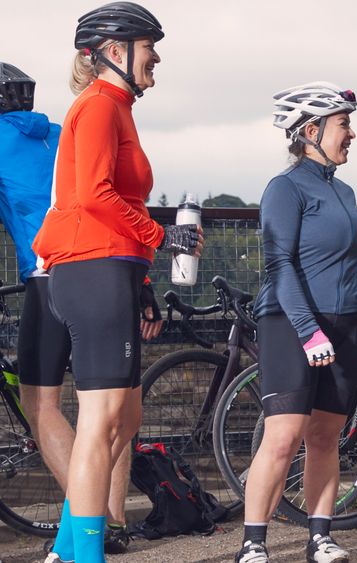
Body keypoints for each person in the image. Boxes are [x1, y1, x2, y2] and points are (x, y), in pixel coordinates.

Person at [31, 4, 201, 563]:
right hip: (91, 266)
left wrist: (143, 280)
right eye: (148, 44)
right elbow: (93, 196)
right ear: (112, 51)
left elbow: (117, 201)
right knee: (100, 419)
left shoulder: (118, 107)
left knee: (122, 419)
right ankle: (87, 556)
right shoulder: (100, 105)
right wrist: (161, 236)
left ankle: (65, 547)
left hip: (113, 268)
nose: (157, 55)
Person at [0, 61, 162, 558]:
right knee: (114, 415)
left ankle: (83, 527)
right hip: (114, 270)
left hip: (52, 273)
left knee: (44, 404)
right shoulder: (60, 128)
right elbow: (116, 199)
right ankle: (103, 521)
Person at [236, 82, 357, 563]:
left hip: (345, 325)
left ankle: (321, 536)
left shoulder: (343, 190)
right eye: (344, 125)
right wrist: (308, 331)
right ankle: (253, 544)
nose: (352, 134)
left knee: (325, 438)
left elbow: (352, 266)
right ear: (310, 130)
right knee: (282, 437)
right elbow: (280, 267)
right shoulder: (284, 189)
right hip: (290, 321)